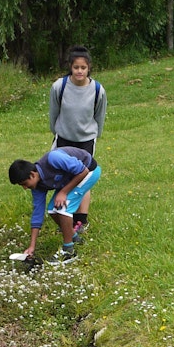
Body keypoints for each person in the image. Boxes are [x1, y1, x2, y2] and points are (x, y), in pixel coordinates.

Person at [7, 146, 101, 265]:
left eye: (24, 184)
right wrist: (32, 246)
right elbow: (37, 214)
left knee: (62, 208)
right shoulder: (37, 187)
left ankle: (69, 251)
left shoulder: (53, 159)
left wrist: (63, 192)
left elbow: (83, 171)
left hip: (89, 171)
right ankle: (75, 238)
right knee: (52, 210)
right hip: (72, 178)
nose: (25, 188)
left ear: (32, 174)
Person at [48, 45, 106, 236]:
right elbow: (54, 113)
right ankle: (65, 214)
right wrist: (56, 131)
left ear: (89, 68)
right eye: (76, 68)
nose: (79, 71)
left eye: (83, 68)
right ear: (70, 68)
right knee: (65, 176)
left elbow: (99, 116)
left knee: (83, 177)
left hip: (86, 141)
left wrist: (94, 134)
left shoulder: (98, 90)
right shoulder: (59, 86)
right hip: (64, 138)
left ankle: (81, 219)